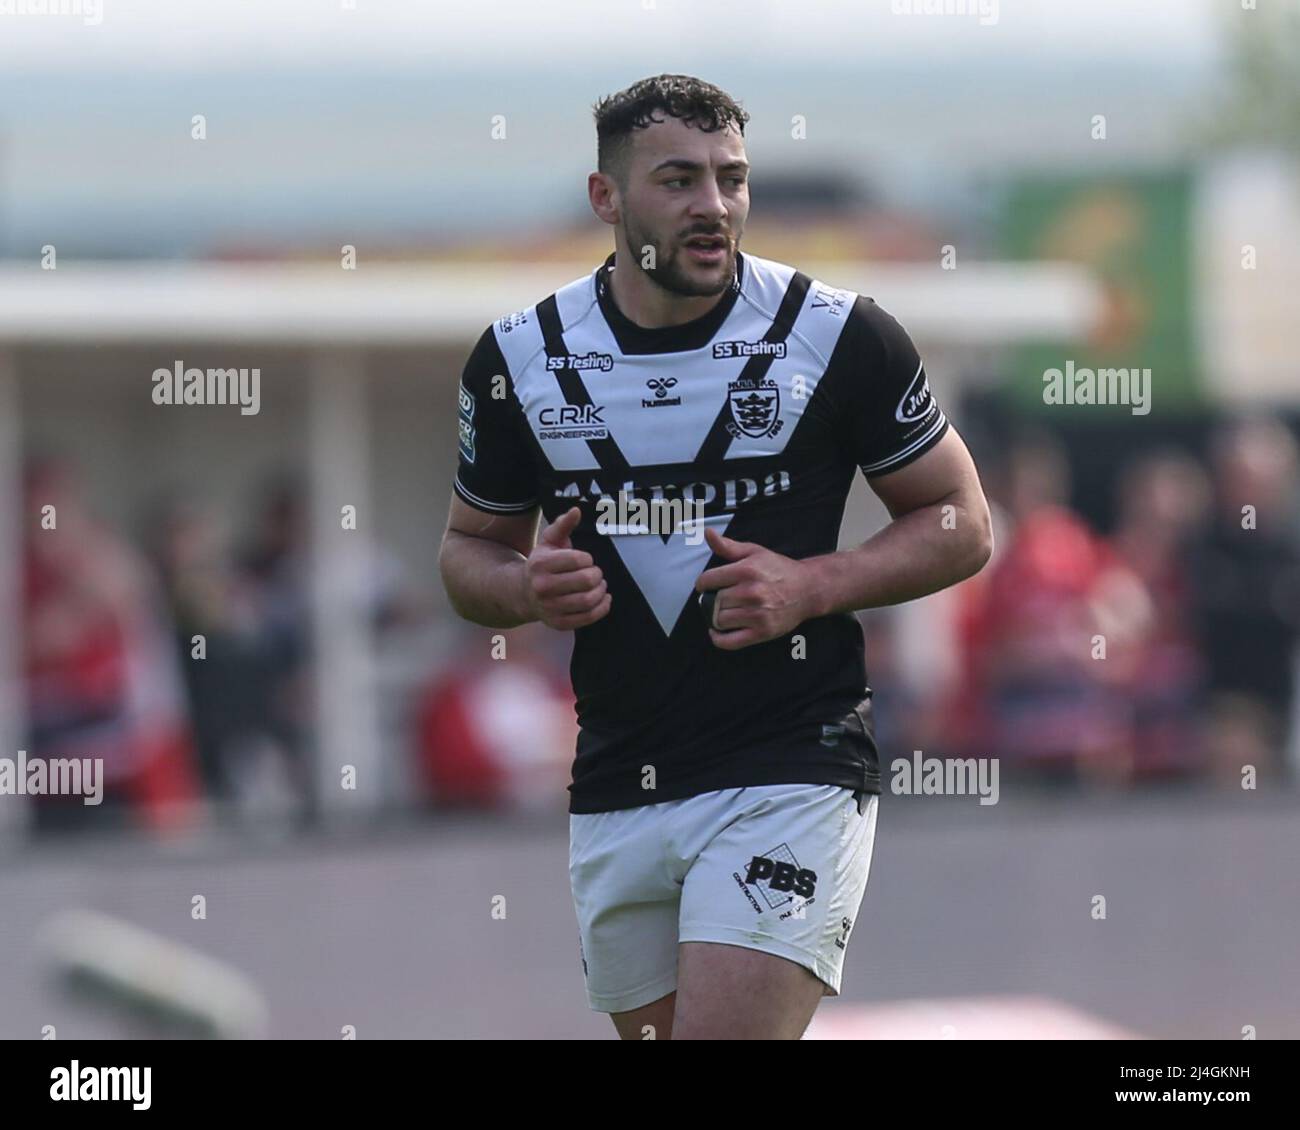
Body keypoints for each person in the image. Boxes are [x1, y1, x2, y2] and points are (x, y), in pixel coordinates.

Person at [438, 75, 993, 1040]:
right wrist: (524, 587)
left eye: (732, 179)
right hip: (617, 780)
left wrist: (813, 584)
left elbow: (962, 520)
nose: (714, 207)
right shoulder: (521, 359)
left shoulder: (835, 334)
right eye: (680, 180)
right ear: (606, 200)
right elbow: (466, 554)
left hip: (791, 764)